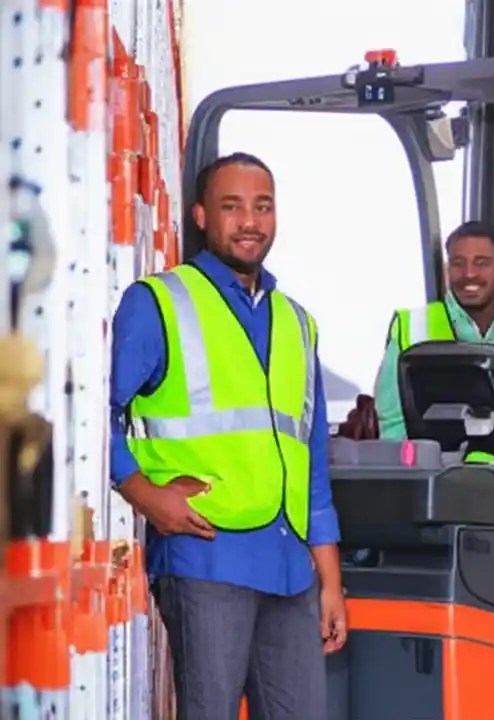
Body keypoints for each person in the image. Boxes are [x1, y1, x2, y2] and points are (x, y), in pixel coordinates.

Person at [109, 152, 345, 719]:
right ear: (200, 215)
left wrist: (330, 579)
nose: (250, 222)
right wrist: (146, 496)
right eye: (232, 207)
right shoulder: (158, 302)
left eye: (262, 207)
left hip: (291, 568)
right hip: (207, 557)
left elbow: (309, 458)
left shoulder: (297, 321)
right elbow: (99, 416)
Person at [348, 220, 494, 521]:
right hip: (432, 509)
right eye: (458, 263)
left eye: (481, 263)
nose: (469, 274)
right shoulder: (411, 327)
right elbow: (393, 424)